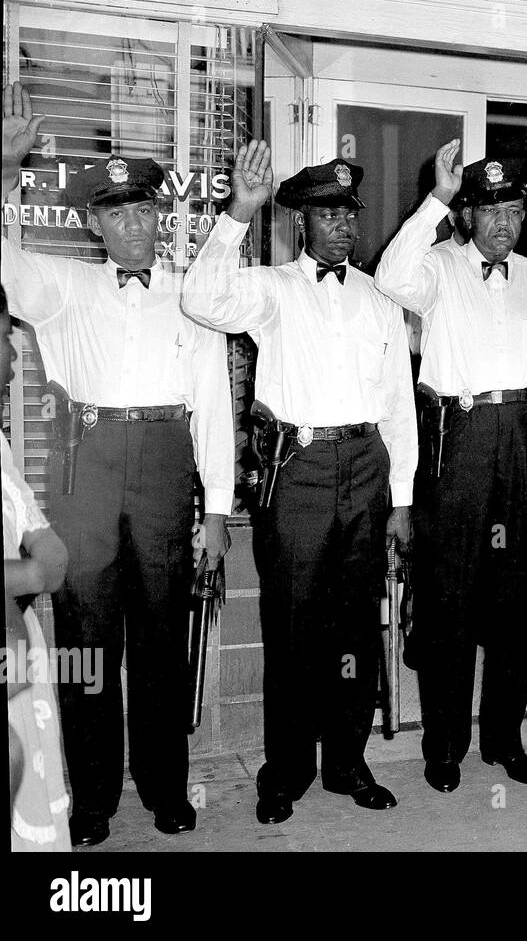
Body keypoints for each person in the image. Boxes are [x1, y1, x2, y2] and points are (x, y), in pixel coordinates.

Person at [1, 84, 233, 847]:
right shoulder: (63, 287)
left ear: (160, 219)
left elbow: (213, 407)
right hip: (86, 469)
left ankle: (166, 787)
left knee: (163, 638)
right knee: (86, 640)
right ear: (96, 223)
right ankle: (93, 796)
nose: (134, 226)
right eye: (118, 213)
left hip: (167, 467)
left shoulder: (193, 298)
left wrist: (221, 512)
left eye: (145, 212)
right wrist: (5, 169)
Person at [183, 142, 416, 824]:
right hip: (301, 472)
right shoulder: (273, 288)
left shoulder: (380, 299)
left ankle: (347, 760)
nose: (344, 224)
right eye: (329, 212)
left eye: (350, 212)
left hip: (367, 466)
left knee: (354, 629)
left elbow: (399, 404)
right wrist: (237, 213)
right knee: (292, 627)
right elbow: (201, 297)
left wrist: (401, 500)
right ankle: (285, 769)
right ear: (300, 222)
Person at [374, 143, 527, 794]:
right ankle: (445, 747)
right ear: (467, 215)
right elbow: (389, 276)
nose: (503, 222)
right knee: (448, 608)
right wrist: (434, 197)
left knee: (516, 604)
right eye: (490, 209)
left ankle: (505, 739)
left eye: (514, 210)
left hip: (524, 443)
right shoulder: (435, 266)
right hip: (458, 443)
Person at [3, 284, 71, 852]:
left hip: (14, 641)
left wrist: (20, 578)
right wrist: (26, 575)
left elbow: (51, 554)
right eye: (6, 336)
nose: (14, 352)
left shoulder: (0, 444)